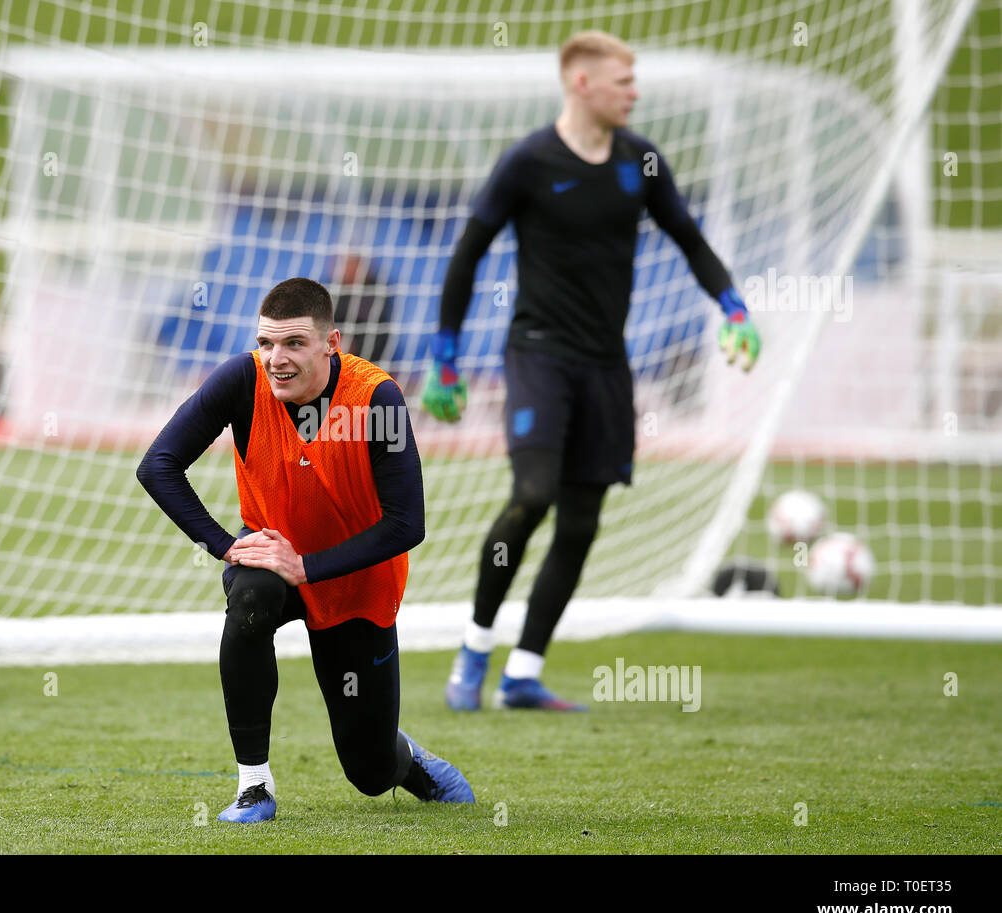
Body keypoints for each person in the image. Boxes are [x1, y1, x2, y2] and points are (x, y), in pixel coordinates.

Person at [422, 31, 761, 711]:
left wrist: (733, 307)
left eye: (635, 82)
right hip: (538, 354)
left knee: (580, 522)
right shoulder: (528, 160)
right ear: (582, 84)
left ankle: (523, 671)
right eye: (623, 81)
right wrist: (446, 357)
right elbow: (467, 253)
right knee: (534, 494)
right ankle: (475, 647)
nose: (634, 93)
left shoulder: (643, 162)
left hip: (608, 365)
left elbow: (690, 241)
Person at [137, 277, 474, 822]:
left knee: (368, 771)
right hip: (273, 565)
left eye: (294, 343)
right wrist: (228, 547)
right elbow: (158, 465)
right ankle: (254, 787)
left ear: (331, 343)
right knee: (251, 597)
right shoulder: (240, 379)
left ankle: (406, 759)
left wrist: (307, 565)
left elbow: (407, 524)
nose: (275, 358)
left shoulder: (376, 398)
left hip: (356, 580)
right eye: (266, 342)